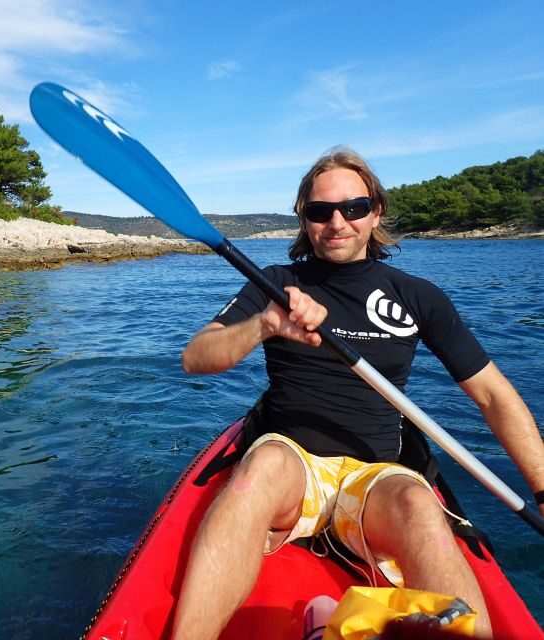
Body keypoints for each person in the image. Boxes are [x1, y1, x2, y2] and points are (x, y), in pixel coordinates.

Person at [172, 148, 544, 640]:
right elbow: (196, 357)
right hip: (291, 466)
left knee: (419, 506)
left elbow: (493, 395)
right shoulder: (276, 285)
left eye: (354, 207)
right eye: (320, 211)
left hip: (374, 479)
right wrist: (263, 326)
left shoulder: (417, 295)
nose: (337, 222)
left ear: (376, 212)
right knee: (257, 470)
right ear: (304, 220)